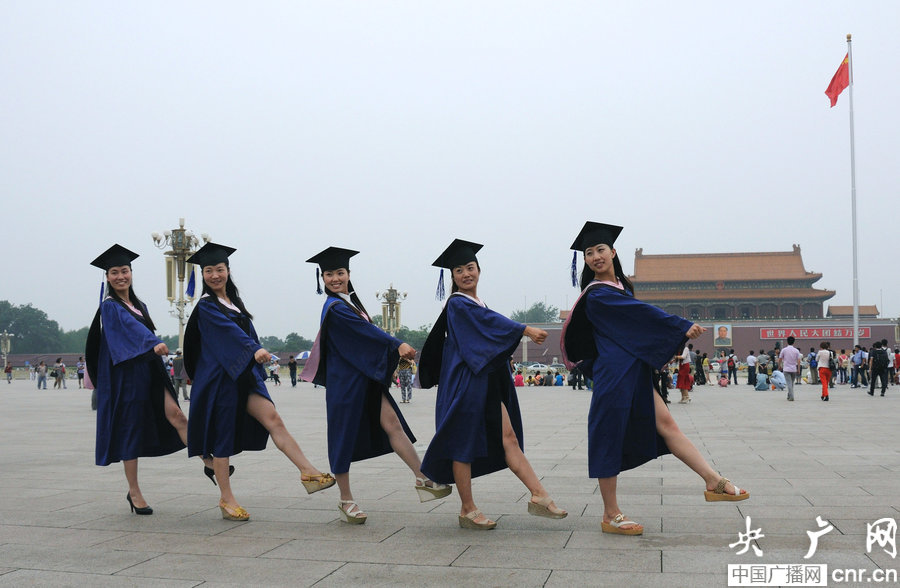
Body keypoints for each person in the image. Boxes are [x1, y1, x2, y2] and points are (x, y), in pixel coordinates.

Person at [561, 221, 748, 536]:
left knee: (668, 425)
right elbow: (641, 316)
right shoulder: (597, 295)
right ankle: (611, 514)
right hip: (613, 375)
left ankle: (712, 480)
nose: (595, 256)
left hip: (632, 370)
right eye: (589, 253)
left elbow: (636, 321)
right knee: (608, 437)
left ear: (613, 251)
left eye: (600, 250)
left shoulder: (621, 287)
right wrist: (678, 326)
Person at [419, 239, 566, 530]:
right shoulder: (458, 304)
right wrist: (523, 328)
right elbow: (487, 323)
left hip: (483, 381)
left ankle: (539, 495)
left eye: (470, 268)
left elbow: (487, 324)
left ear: (479, 270)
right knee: (462, 445)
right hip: (465, 384)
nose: (465, 274)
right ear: (453, 277)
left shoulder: (476, 303)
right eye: (459, 270)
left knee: (508, 437)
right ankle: (468, 509)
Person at [184, 242, 335, 521]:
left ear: (228, 271)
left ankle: (308, 472)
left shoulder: (234, 304)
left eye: (219, 269)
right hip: (220, 380)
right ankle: (226, 499)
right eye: (208, 271)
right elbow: (228, 333)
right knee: (222, 440)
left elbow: (247, 334)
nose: (214, 275)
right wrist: (253, 350)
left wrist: (256, 350)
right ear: (203, 275)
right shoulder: (206, 306)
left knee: (273, 418)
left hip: (243, 376)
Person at [301, 246, 448, 524]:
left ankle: (422, 477)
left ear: (348, 274)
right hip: (345, 384)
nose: (335, 278)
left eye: (340, 273)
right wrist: (397, 344)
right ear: (322, 278)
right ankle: (346, 500)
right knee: (343, 438)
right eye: (329, 274)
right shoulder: (335, 308)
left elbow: (367, 333)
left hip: (363, 378)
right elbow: (366, 333)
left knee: (393, 423)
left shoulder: (349, 302)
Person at [85, 244, 202, 515]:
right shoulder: (109, 307)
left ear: (131, 273)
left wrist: (151, 346)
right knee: (130, 432)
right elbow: (128, 331)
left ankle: (207, 460)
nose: (120, 276)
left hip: (150, 370)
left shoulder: (139, 305)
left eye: (124, 271)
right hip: (126, 374)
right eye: (114, 272)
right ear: (107, 277)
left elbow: (137, 326)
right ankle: (134, 491)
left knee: (177, 415)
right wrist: (152, 342)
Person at [778, 336, 803, 401]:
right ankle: (789, 395)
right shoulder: (796, 351)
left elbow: (780, 359)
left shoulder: (784, 350)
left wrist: (779, 366)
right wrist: (798, 369)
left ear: (787, 341)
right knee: (791, 383)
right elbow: (798, 361)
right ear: (793, 342)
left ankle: (791, 397)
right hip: (793, 369)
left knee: (789, 383)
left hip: (786, 369)